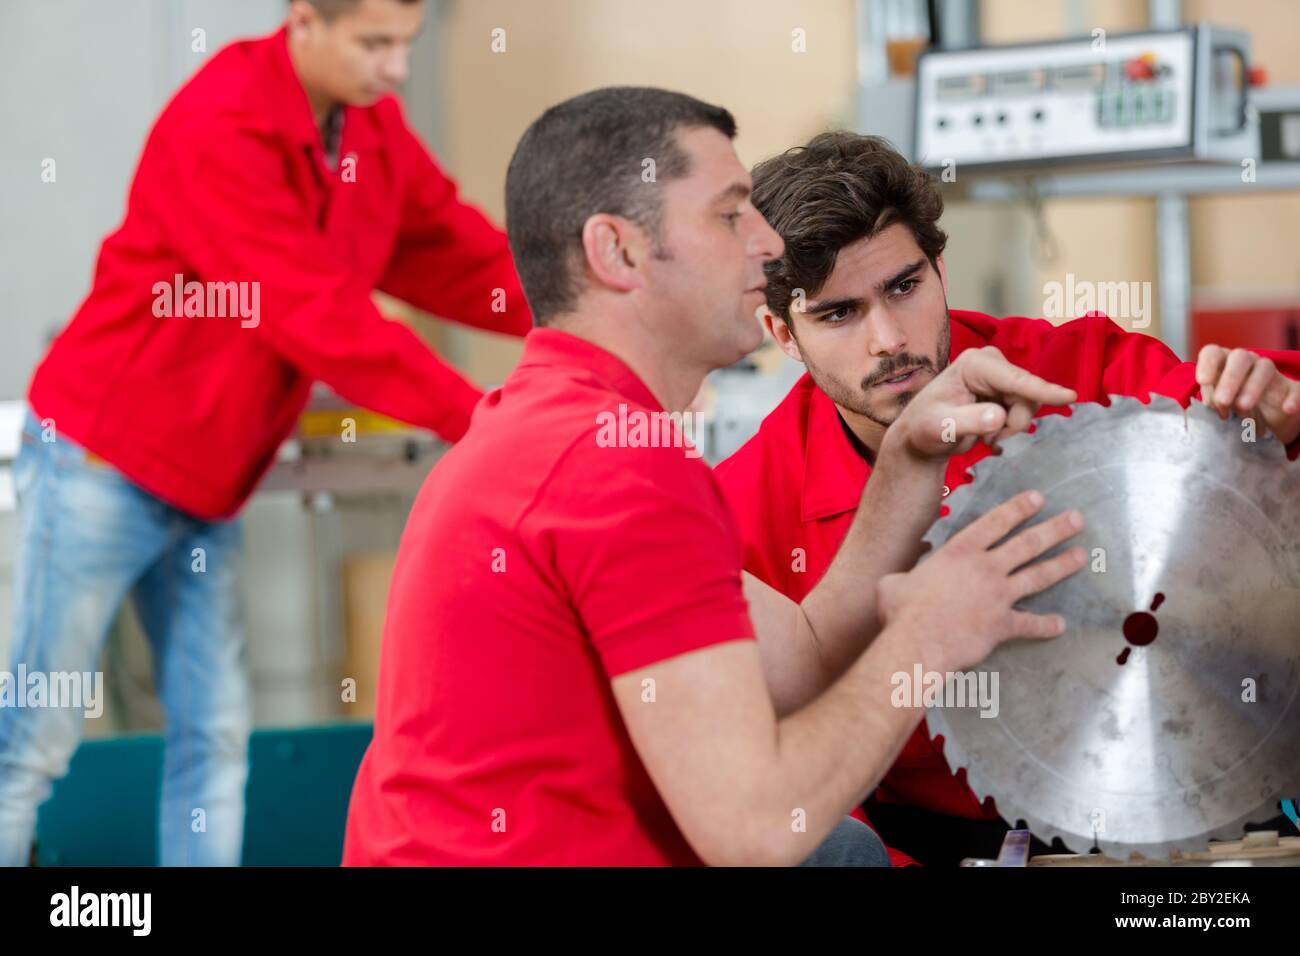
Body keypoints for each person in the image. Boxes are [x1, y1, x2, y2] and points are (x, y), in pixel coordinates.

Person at [342, 87, 1088, 866]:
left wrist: (908, 459)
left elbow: (801, 659)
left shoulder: (561, 426)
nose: (767, 243)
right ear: (617, 253)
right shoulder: (612, 472)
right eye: (731, 215)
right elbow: (757, 832)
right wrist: (928, 636)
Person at [0, 0, 530, 867]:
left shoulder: (369, 130)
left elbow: (457, 253)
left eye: (406, 44)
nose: (395, 68)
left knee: (212, 738)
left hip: (209, 485)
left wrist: (589, 313)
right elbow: (314, 311)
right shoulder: (222, 122)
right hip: (103, 461)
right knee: (35, 734)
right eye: (374, 44)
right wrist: (483, 419)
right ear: (303, 20)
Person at [714, 130, 1300, 866]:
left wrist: (1272, 413)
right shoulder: (745, 503)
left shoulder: (1077, 371)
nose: (889, 339)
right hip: (936, 847)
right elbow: (790, 761)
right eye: (839, 314)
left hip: (1184, 823)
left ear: (940, 267)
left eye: (904, 286)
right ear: (780, 333)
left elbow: (1237, 411)